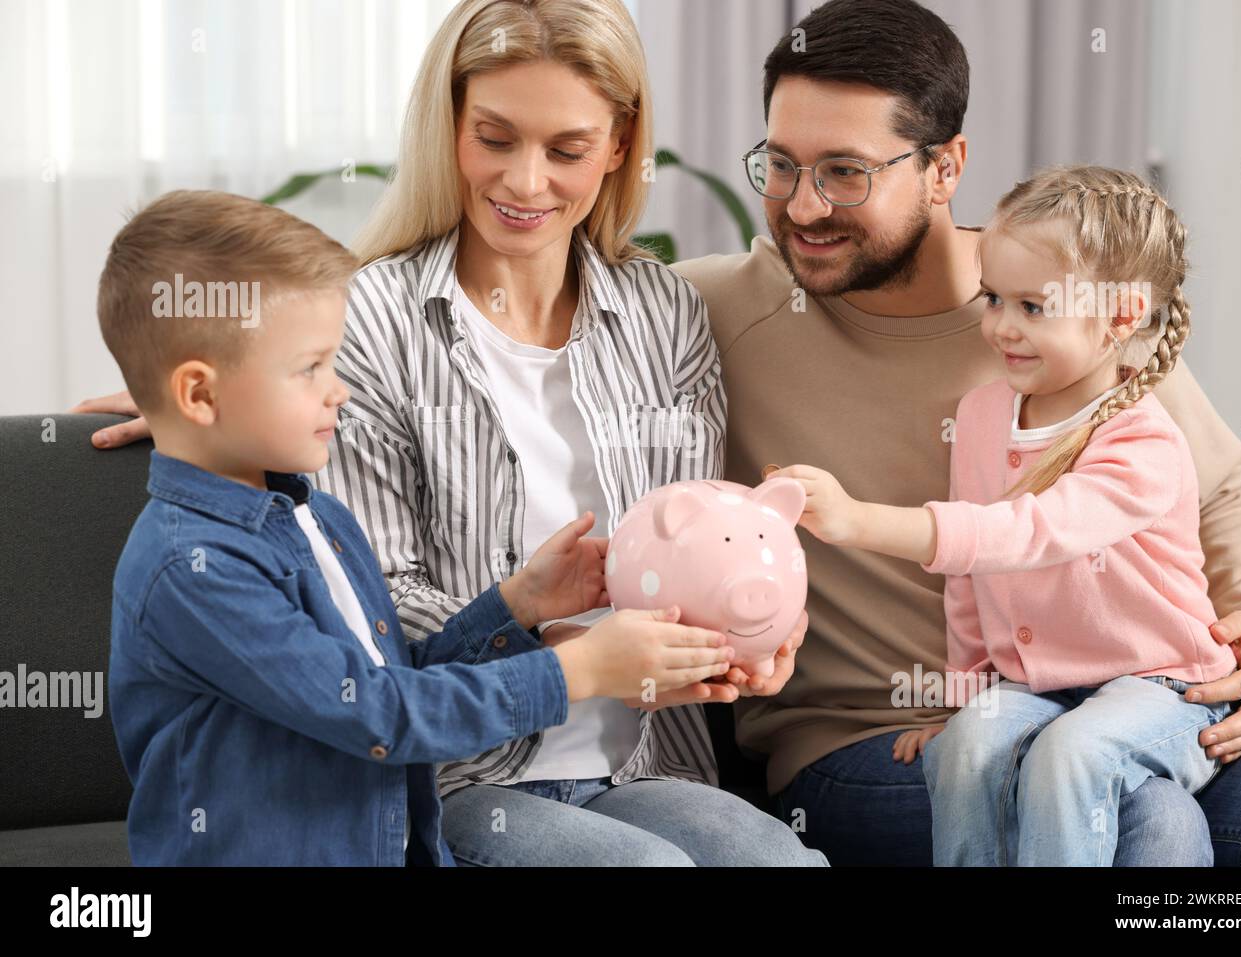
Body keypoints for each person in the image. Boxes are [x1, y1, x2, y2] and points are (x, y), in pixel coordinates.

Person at [77, 0, 825, 867]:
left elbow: (707, 543)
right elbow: (372, 622)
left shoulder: (665, 312)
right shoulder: (364, 322)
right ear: (449, 125)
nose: (525, 181)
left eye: (568, 149)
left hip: (645, 759)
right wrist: (569, 654)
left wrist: (738, 642)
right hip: (464, 777)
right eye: (495, 138)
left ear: (620, 145)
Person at [672, 0, 1241, 866]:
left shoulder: (1067, 315)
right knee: (1149, 822)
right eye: (781, 164)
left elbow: (1219, 492)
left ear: (945, 167)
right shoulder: (708, 310)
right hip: (876, 739)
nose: (804, 206)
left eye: (845, 172)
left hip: (1114, 694)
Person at [98, 189, 736, 865]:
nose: (337, 388)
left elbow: (392, 676)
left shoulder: (318, 516)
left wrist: (515, 606)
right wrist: (573, 670)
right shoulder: (193, 568)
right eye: (309, 368)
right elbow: (378, 714)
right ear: (199, 393)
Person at [773, 165, 1238, 865]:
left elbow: (1025, 534)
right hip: (1038, 682)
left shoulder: (1142, 441)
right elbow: (971, 581)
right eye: (993, 298)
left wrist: (857, 520)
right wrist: (962, 700)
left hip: (1166, 686)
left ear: (1121, 315)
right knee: (967, 747)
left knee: (1072, 753)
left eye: (1033, 307)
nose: (1001, 328)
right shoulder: (983, 415)